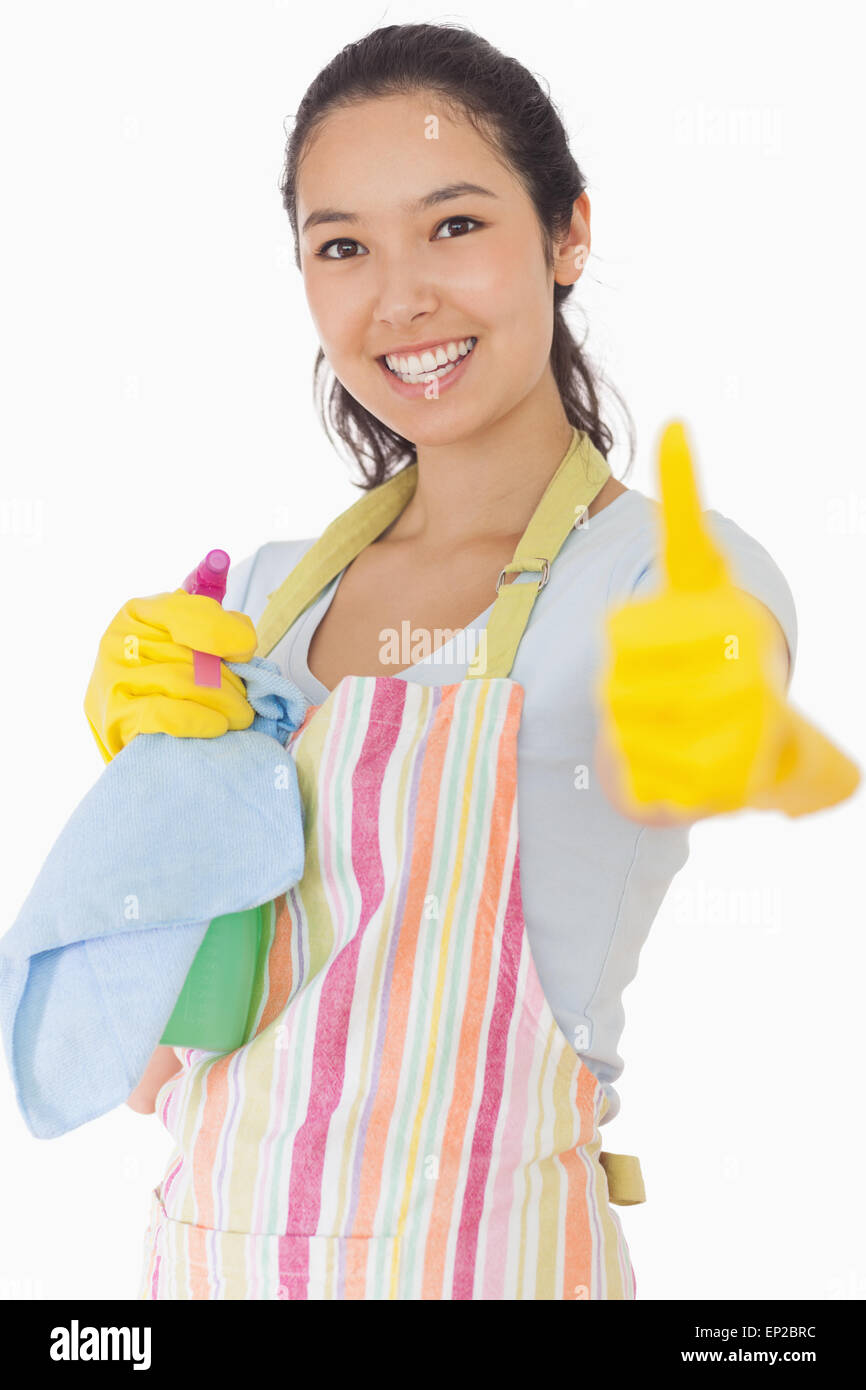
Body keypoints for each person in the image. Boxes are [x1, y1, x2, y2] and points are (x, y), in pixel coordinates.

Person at [85, 23, 858, 1300]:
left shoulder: (661, 571)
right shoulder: (265, 596)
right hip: (207, 1263)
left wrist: (722, 707)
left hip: (487, 1267)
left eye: (452, 226)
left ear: (566, 235)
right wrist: (145, 788)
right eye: (342, 246)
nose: (400, 297)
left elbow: (723, 652)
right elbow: (169, 1020)